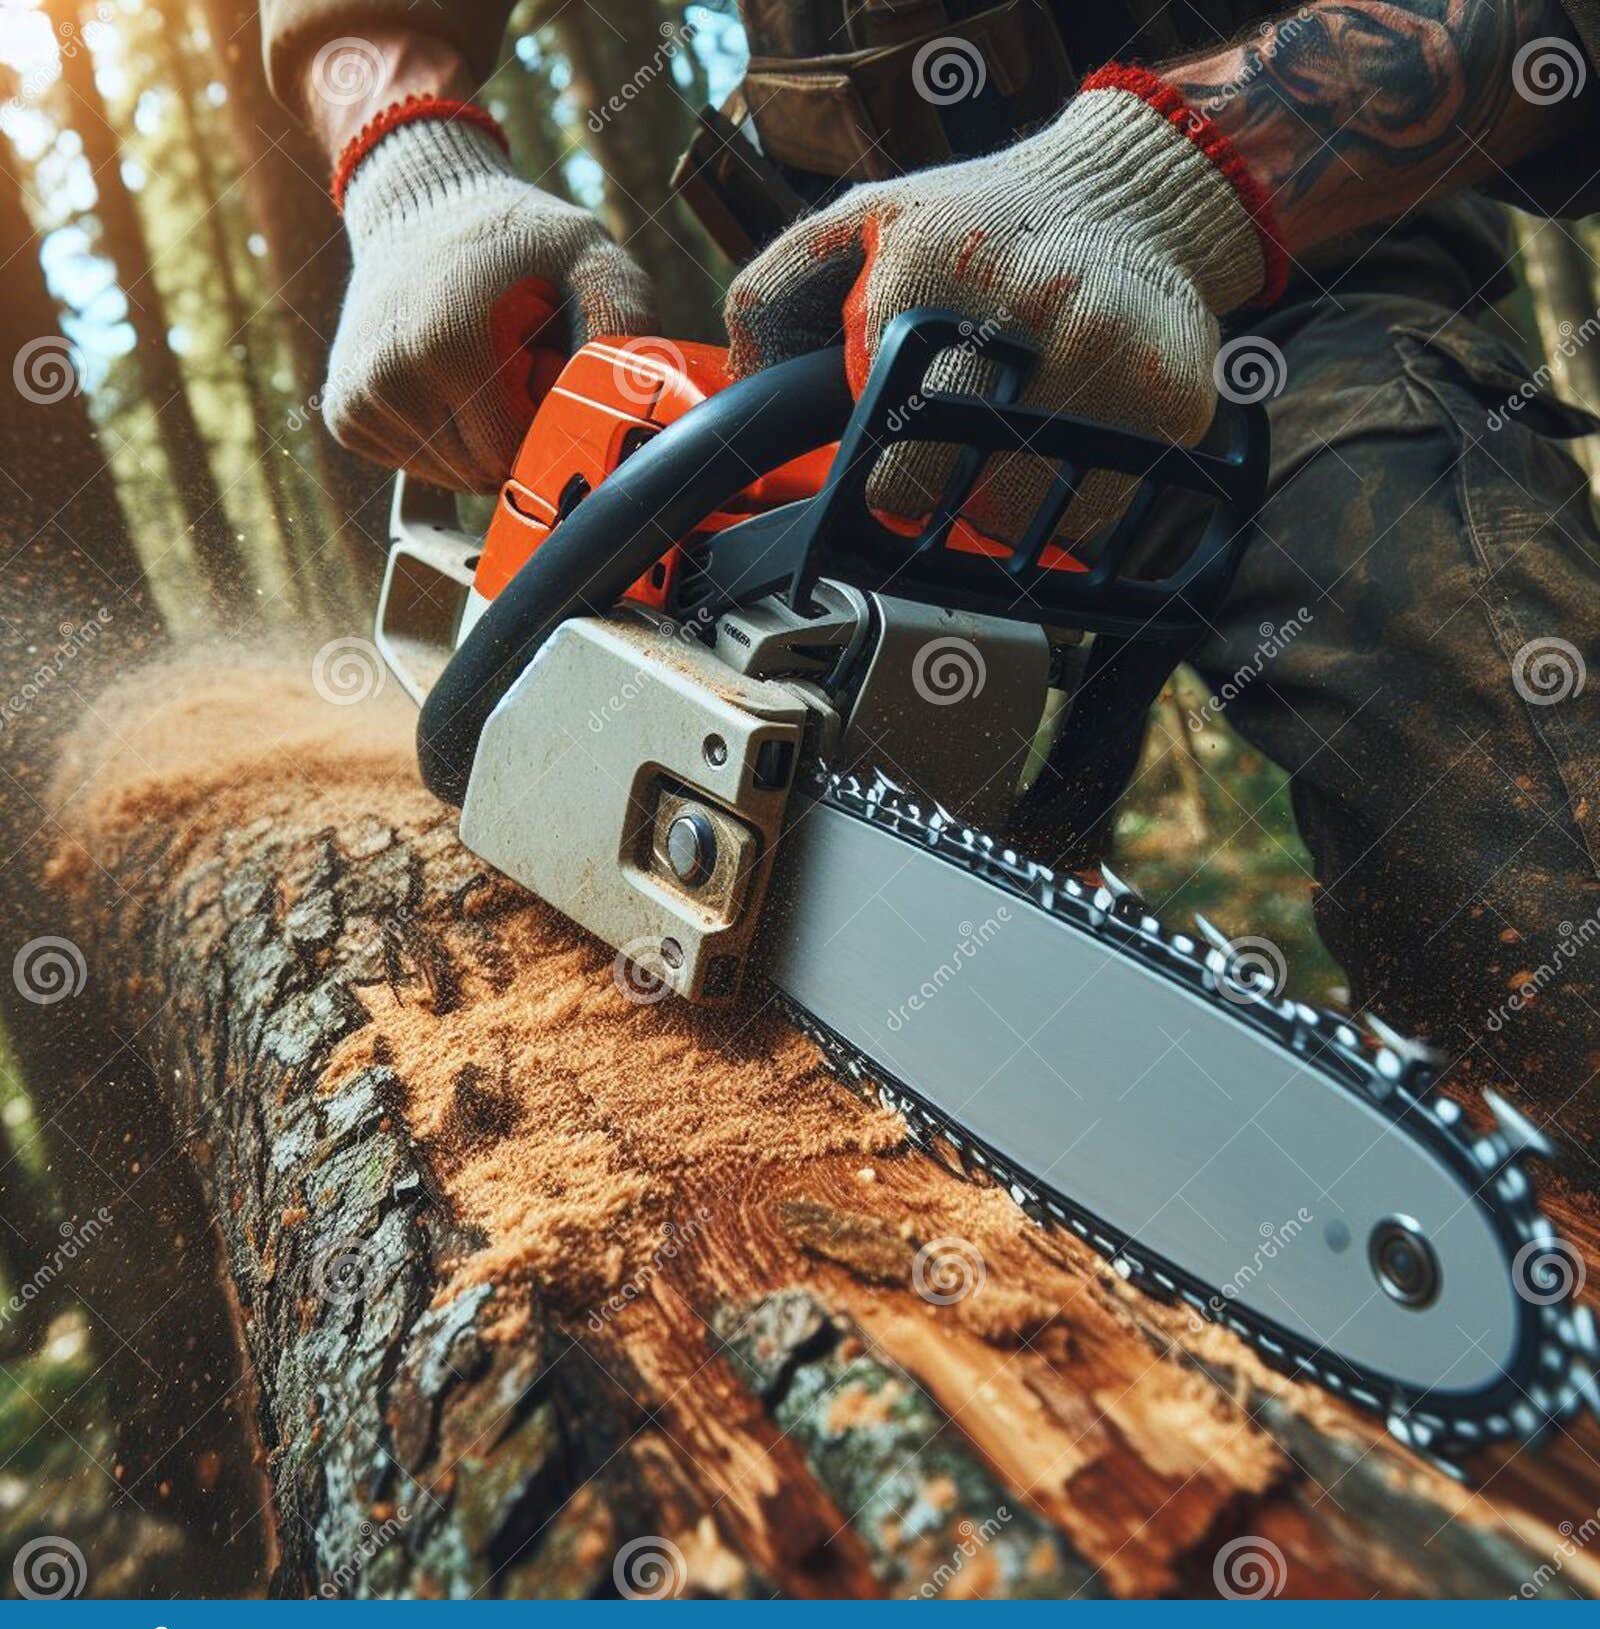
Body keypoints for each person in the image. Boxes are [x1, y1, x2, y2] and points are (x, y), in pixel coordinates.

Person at [261, 1, 1600, 1146]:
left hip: (1308, 296)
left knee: (1543, 895)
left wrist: (1172, 175)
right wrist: (409, 158)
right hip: (867, 321)